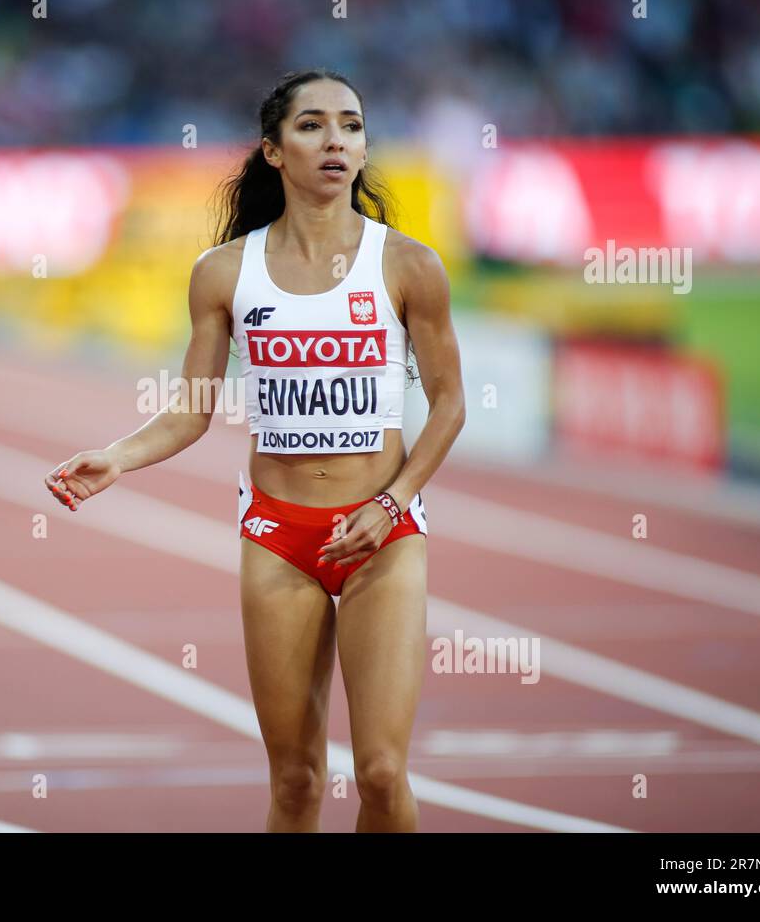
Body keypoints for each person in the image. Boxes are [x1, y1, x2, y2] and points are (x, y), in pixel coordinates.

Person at [44, 69, 465, 832]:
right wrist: (118, 456)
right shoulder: (224, 273)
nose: (336, 140)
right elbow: (190, 412)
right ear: (273, 150)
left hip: (384, 534)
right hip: (278, 537)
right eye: (312, 125)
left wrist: (390, 502)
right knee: (297, 780)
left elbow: (450, 404)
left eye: (351, 125)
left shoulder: (408, 265)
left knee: (379, 772)